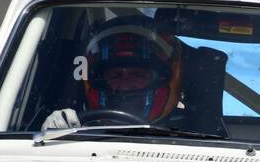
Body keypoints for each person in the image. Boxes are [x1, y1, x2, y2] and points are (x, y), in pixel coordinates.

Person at [42, 18, 183, 130]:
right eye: (115, 76)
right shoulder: (77, 128)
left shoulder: (196, 135)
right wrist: (54, 136)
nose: (125, 85)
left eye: (138, 75)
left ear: (163, 78)